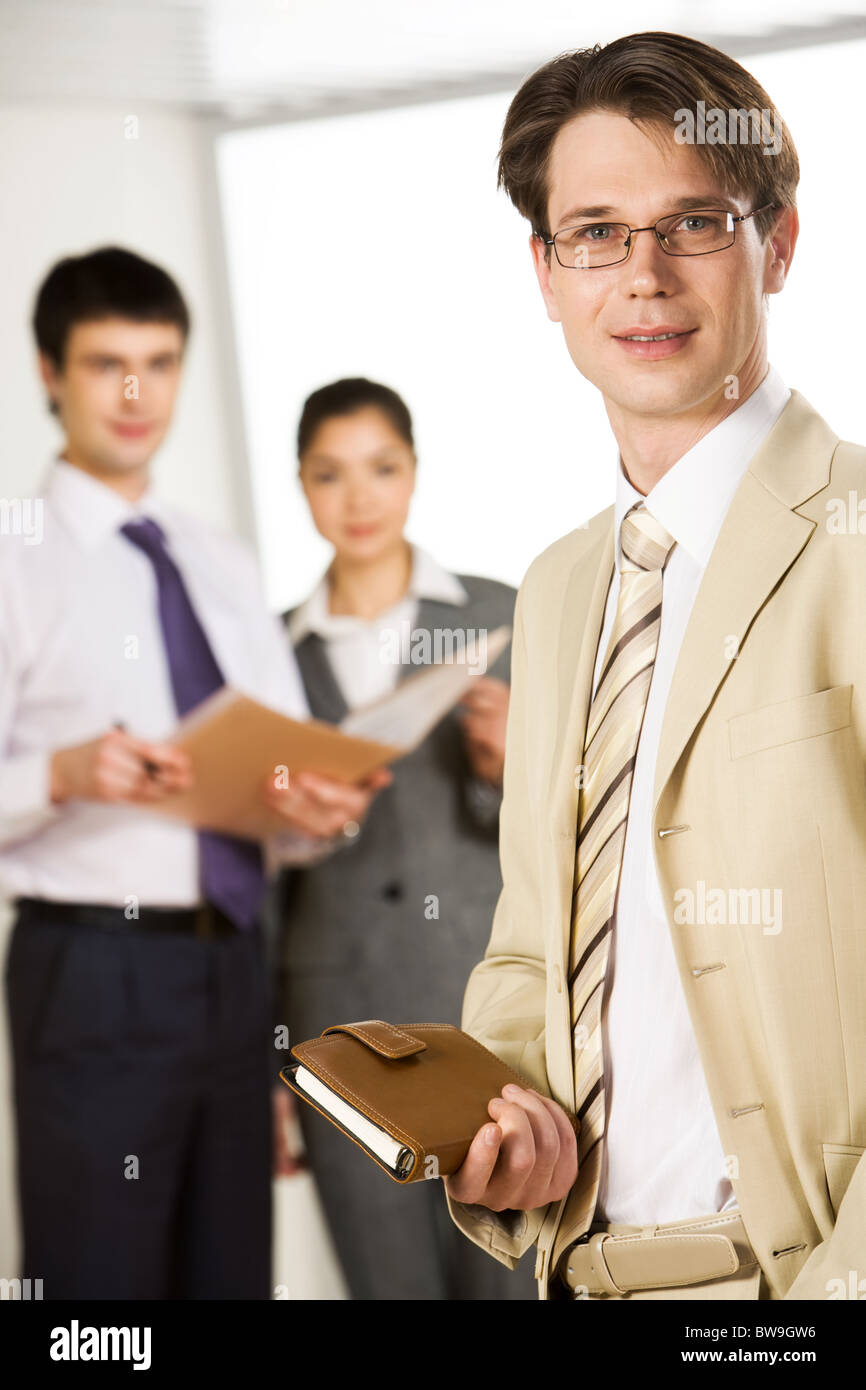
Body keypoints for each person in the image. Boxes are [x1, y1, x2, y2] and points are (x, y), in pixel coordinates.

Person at [443, 31, 866, 1301]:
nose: (643, 275)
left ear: (775, 243)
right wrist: (501, 1133)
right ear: (545, 271)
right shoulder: (563, 586)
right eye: (595, 233)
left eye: (693, 221)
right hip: (580, 1275)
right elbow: (529, 951)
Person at [0, 248, 389, 1300]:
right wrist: (65, 771)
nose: (137, 395)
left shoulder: (219, 557)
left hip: (231, 973)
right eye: (106, 363)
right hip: (93, 971)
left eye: (160, 362)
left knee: (228, 1277)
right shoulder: (14, 557)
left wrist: (312, 811)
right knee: (99, 1291)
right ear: (49, 372)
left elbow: (269, 782)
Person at [273, 377, 535, 1299]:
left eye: (382, 468)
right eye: (330, 474)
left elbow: (585, 834)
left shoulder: (502, 614)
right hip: (331, 1032)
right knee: (385, 1284)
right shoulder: (269, 654)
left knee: (510, 1276)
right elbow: (244, 882)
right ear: (301, 487)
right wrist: (260, 1069)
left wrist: (515, 768)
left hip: (490, 1013)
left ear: (415, 473)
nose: (359, 497)